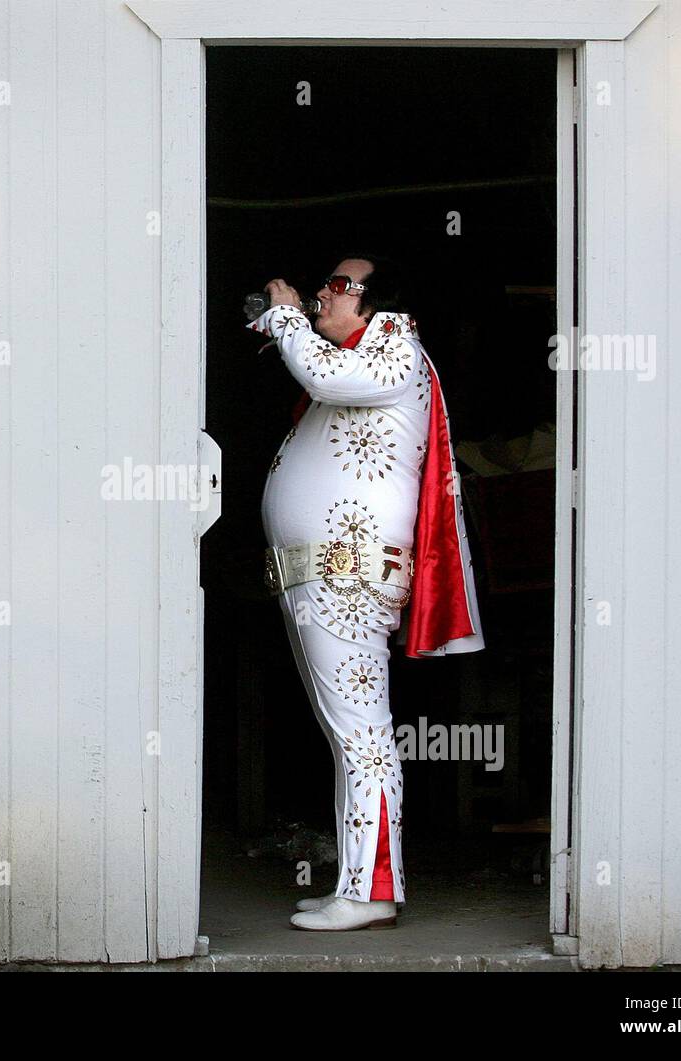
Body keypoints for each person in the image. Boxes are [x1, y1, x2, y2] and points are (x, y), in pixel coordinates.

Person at [248, 254, 484, 931]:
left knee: (364, 737)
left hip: (347, 576)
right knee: (350, 734)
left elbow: (321, 372)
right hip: (323, 574)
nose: (324, 291)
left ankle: (373, 889)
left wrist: (288, 314)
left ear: (380, 306)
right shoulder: (363, 357)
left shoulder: (393, 347)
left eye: (339, 285)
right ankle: (358, 882)